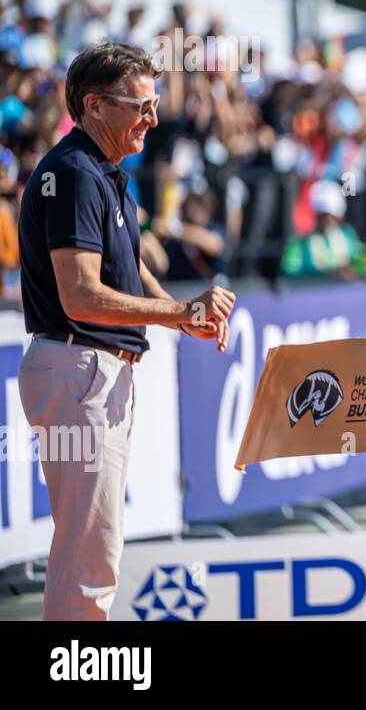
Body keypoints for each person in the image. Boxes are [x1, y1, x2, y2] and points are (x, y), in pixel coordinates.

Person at [17, 42, 235, 620]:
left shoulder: (98, 171)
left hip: (83, 370)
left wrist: (180, 312)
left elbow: (127, 264)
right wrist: (181, 314)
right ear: (94, 106)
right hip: (78, 368)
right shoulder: (76, 172)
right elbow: (82, 295)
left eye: (155, 103)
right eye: (140, 106)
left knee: (92, 552)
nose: (153, 118)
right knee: (88, 561)